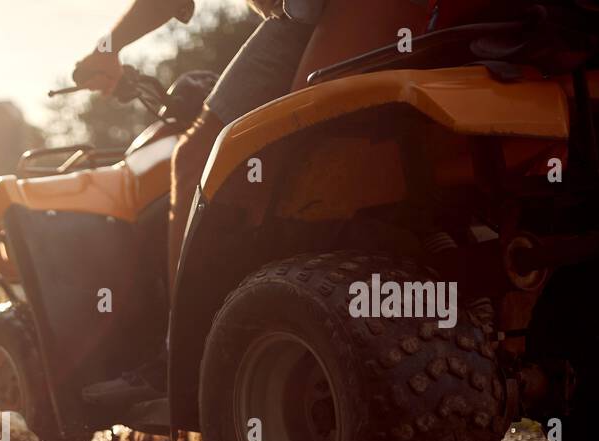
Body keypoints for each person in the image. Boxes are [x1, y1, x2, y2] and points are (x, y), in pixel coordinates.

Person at [71, 0, 428, 415]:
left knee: (192, 161)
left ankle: (178, 359)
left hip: (325, 14)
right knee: (274, 158)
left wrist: (107, 47)